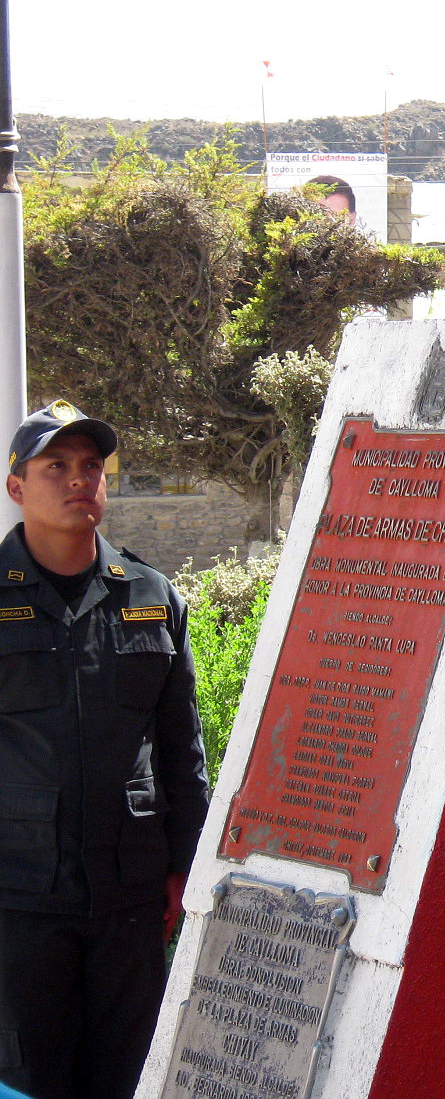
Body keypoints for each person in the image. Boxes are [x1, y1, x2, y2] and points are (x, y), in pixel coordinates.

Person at [0, 402, 208, 1099]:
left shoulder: (151, 597)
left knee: (127, 1079)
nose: (78, 480)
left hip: (132, 902)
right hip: (20, 903)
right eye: (54, 466)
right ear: (16, 487)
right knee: (30, 1082)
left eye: (91, 467)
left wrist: (186, 870)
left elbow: (183, 753)